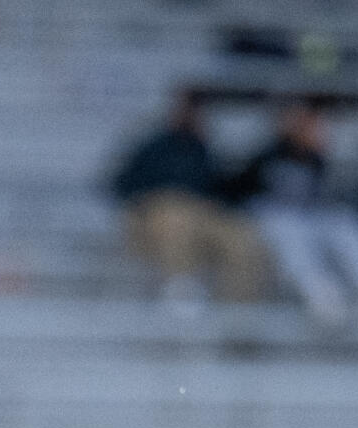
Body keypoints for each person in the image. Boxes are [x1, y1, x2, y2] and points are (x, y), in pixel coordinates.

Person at [230, 100, 358, 333]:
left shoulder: (319, 160)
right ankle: (321, 294)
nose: (313, 132)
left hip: (310, 219)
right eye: (305, 126)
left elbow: (341, 198)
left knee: (348, 223)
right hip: (274, 222)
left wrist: (318, 153)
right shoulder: (268, 156)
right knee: (285, 225)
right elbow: (240, 190)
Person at [108, 88, 270, 304]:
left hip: (202, 213)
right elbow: (122, 183)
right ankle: (181, 292)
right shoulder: (153, 147)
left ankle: (240, 307)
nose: (193, 116)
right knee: (177, 218)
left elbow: (223, 190)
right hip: (161, 210)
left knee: (241, 236)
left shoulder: (204, 151)